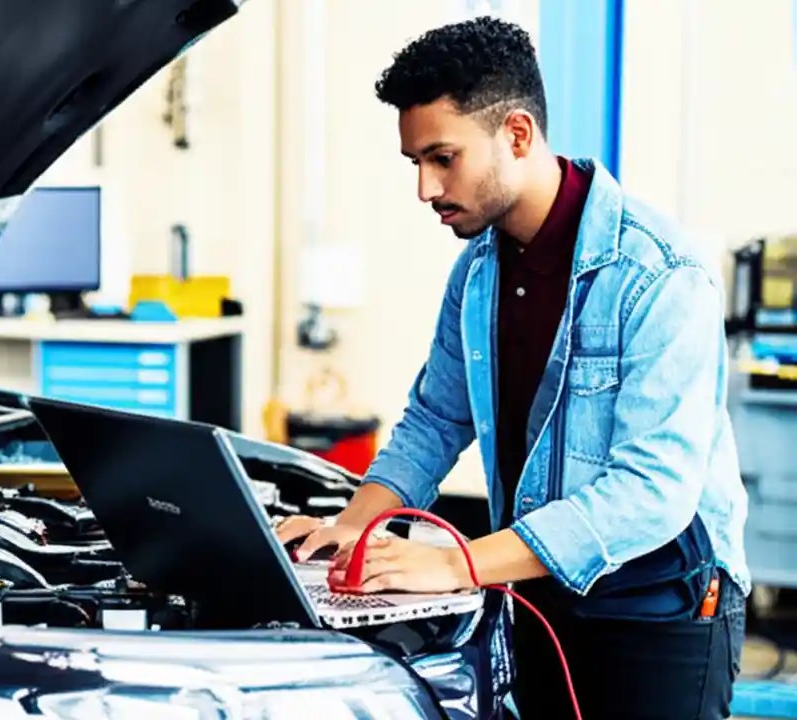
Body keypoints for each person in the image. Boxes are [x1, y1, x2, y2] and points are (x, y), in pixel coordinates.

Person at [274, 16, 750, 720]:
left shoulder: (659, 273)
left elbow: (652, 489)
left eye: (443, 158)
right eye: (415, 163)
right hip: (532, 590)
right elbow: (437, 416)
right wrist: (355, 522)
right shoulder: (477, 274)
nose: (426, 188)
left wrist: (457, 563)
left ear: (517, 135)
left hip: (659, 605)